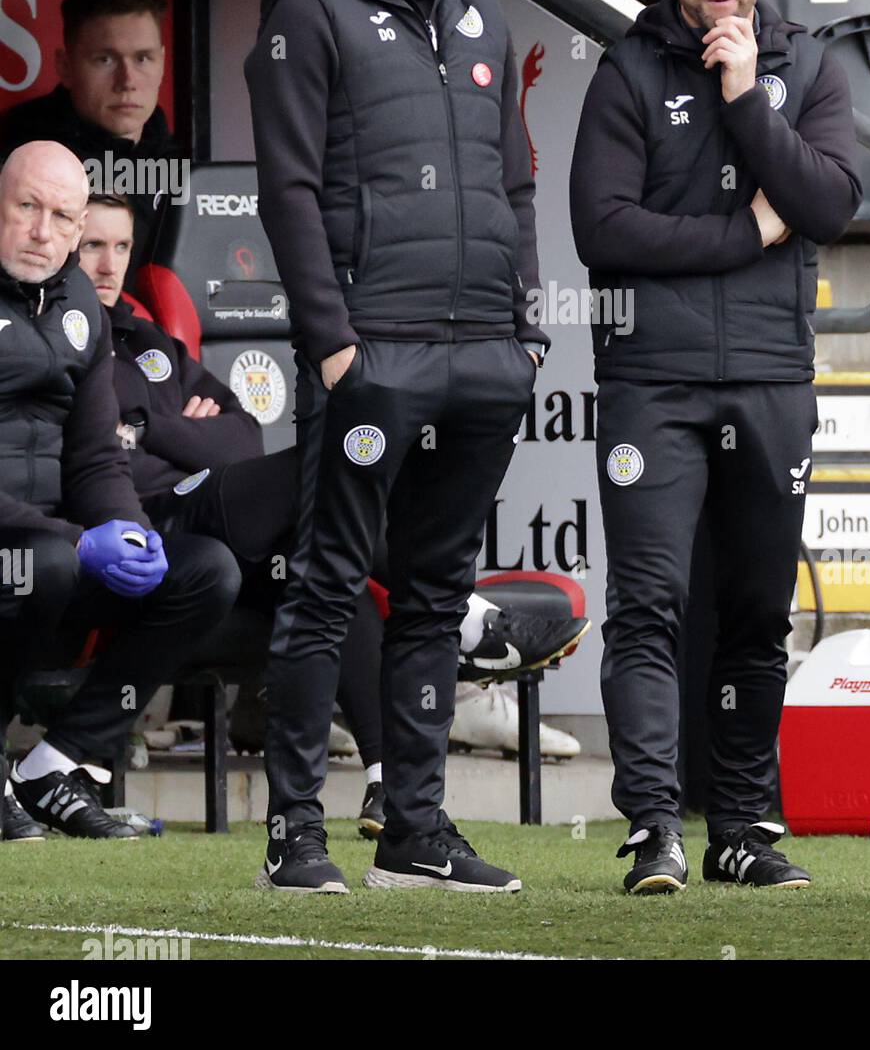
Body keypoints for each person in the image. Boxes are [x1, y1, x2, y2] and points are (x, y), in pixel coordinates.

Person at [245, 0, 563, 894]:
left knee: (436, 594)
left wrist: (524, 331)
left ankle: (416, 830)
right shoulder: (307, 11)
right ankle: (296, 833)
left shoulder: (480, 5)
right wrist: (332, 347)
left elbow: (517, 182)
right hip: (373, 351)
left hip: (484, 355)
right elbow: (285, 188)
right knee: (329, 586)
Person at [76, 193, 586, 833]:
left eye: (121, 246)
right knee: (322, 470)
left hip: (222, 516)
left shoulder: (147, 336)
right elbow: (103, 450)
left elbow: (240, 434)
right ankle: (462, 614)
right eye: (92, 244)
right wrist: (174, 427)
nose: (108, 262)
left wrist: (147, 428)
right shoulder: (67, 335)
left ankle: (385, 785)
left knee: (325, 568)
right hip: (150, 523)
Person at [570, 0, 861, 893]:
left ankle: (742, 826)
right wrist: (741, 234)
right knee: (649, 603)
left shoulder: (809, 68)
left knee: (753, 616)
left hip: (774, 380)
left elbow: (826, 203)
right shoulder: (628, 70)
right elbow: (603, 231)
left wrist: (745, 100)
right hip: (653, 378)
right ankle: (655, 826)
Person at [0, 142, 240, 841]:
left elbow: (96, 454)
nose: (43, 232)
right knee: (41, 564)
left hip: (57, 549)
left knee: (204, 571)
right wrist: (77, 541)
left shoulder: (78, 297)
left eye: (61, 217)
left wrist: (127, 528)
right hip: (31, 554)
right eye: (26, 208)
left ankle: (55, 763)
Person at [0, 0, 181, 274]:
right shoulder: (19, 155)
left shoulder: (181, 160)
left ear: (162, 62)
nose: (127, 82)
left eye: (143, 59)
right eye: (105, 60)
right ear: (65, 66)